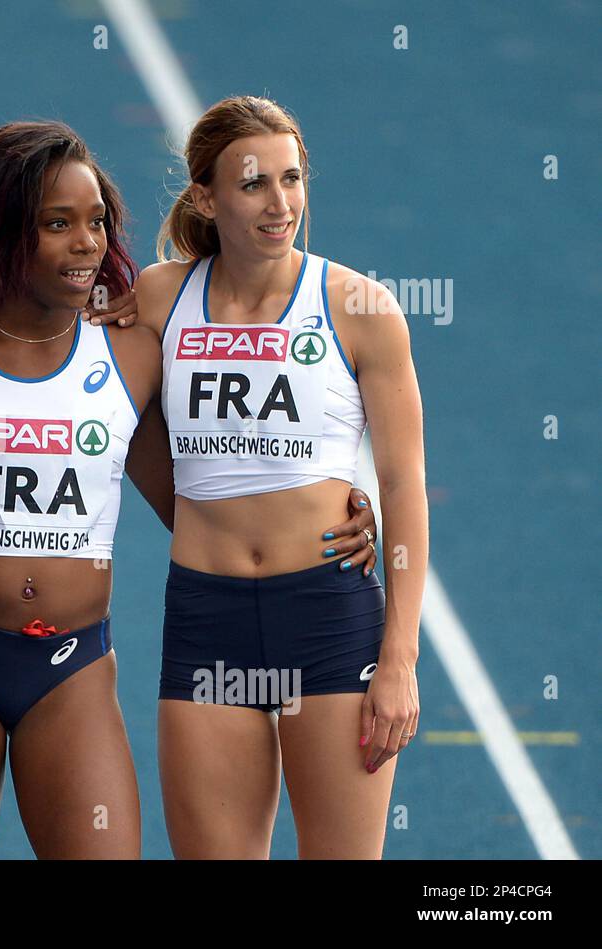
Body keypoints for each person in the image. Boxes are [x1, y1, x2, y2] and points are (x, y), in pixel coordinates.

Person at [0, 120, 378, 858]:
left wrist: (328, 511)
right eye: (59, 224)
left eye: (97, 223)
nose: (88, 243)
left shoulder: (127, 351)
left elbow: (197, 498)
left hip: (74, 663)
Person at [137, 95, 424, 858]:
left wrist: (399, 658)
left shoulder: (359, 307)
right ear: (206, 196)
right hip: (206, 618)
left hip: (328, 618)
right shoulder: (160, 299)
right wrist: (201, 513)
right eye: (255, 183)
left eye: (292, 179)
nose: (281, 203)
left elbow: (402, 486)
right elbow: (110, 416)